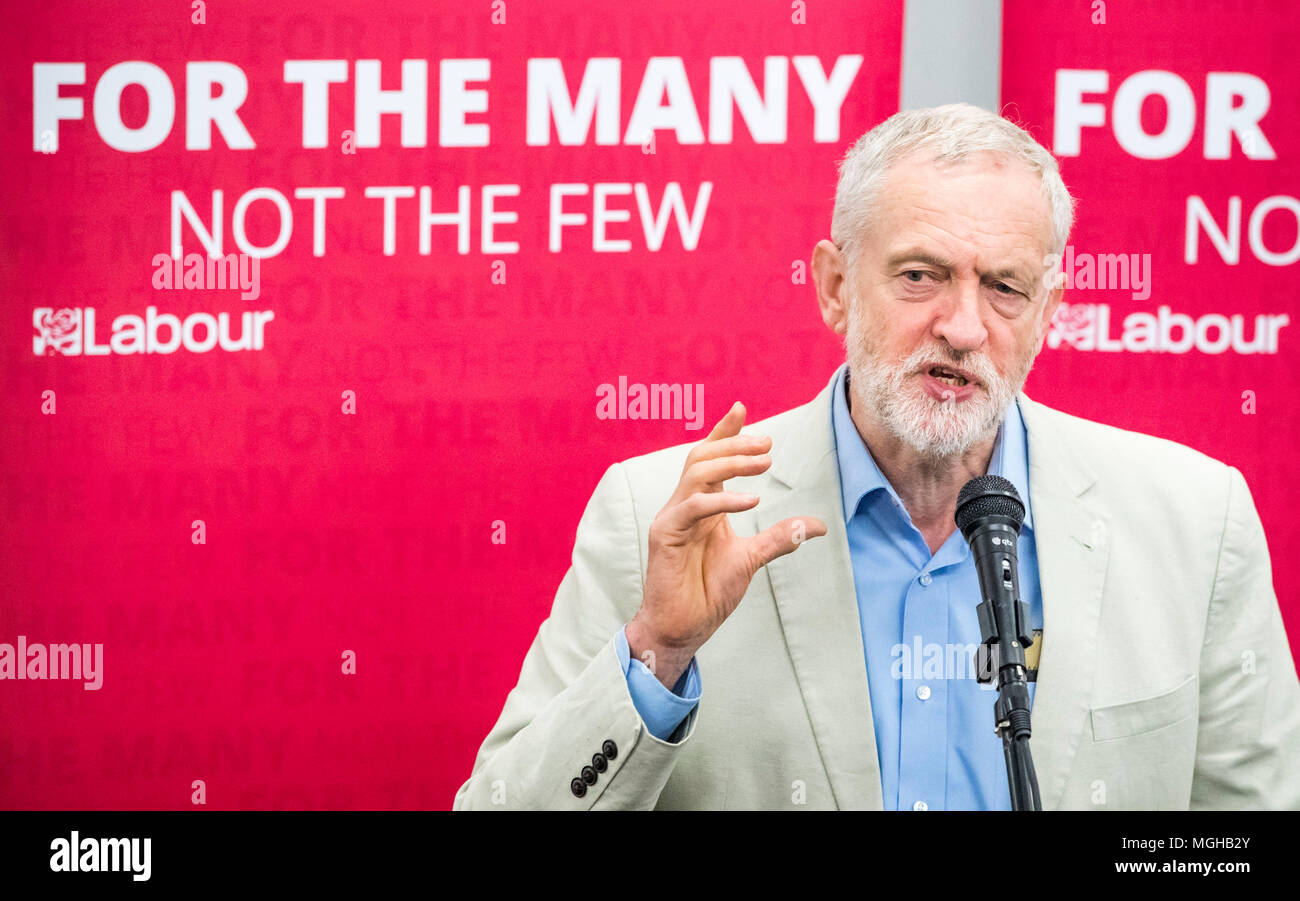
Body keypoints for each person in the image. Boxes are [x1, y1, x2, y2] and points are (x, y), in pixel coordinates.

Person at [453, 103, 1300, 810]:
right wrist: (656, 655)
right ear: (834, 285)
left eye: (1004, 287)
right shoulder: (665, 514)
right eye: (921, 275)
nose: (964, 328)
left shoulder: (1195, 522)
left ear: (1047, 308)